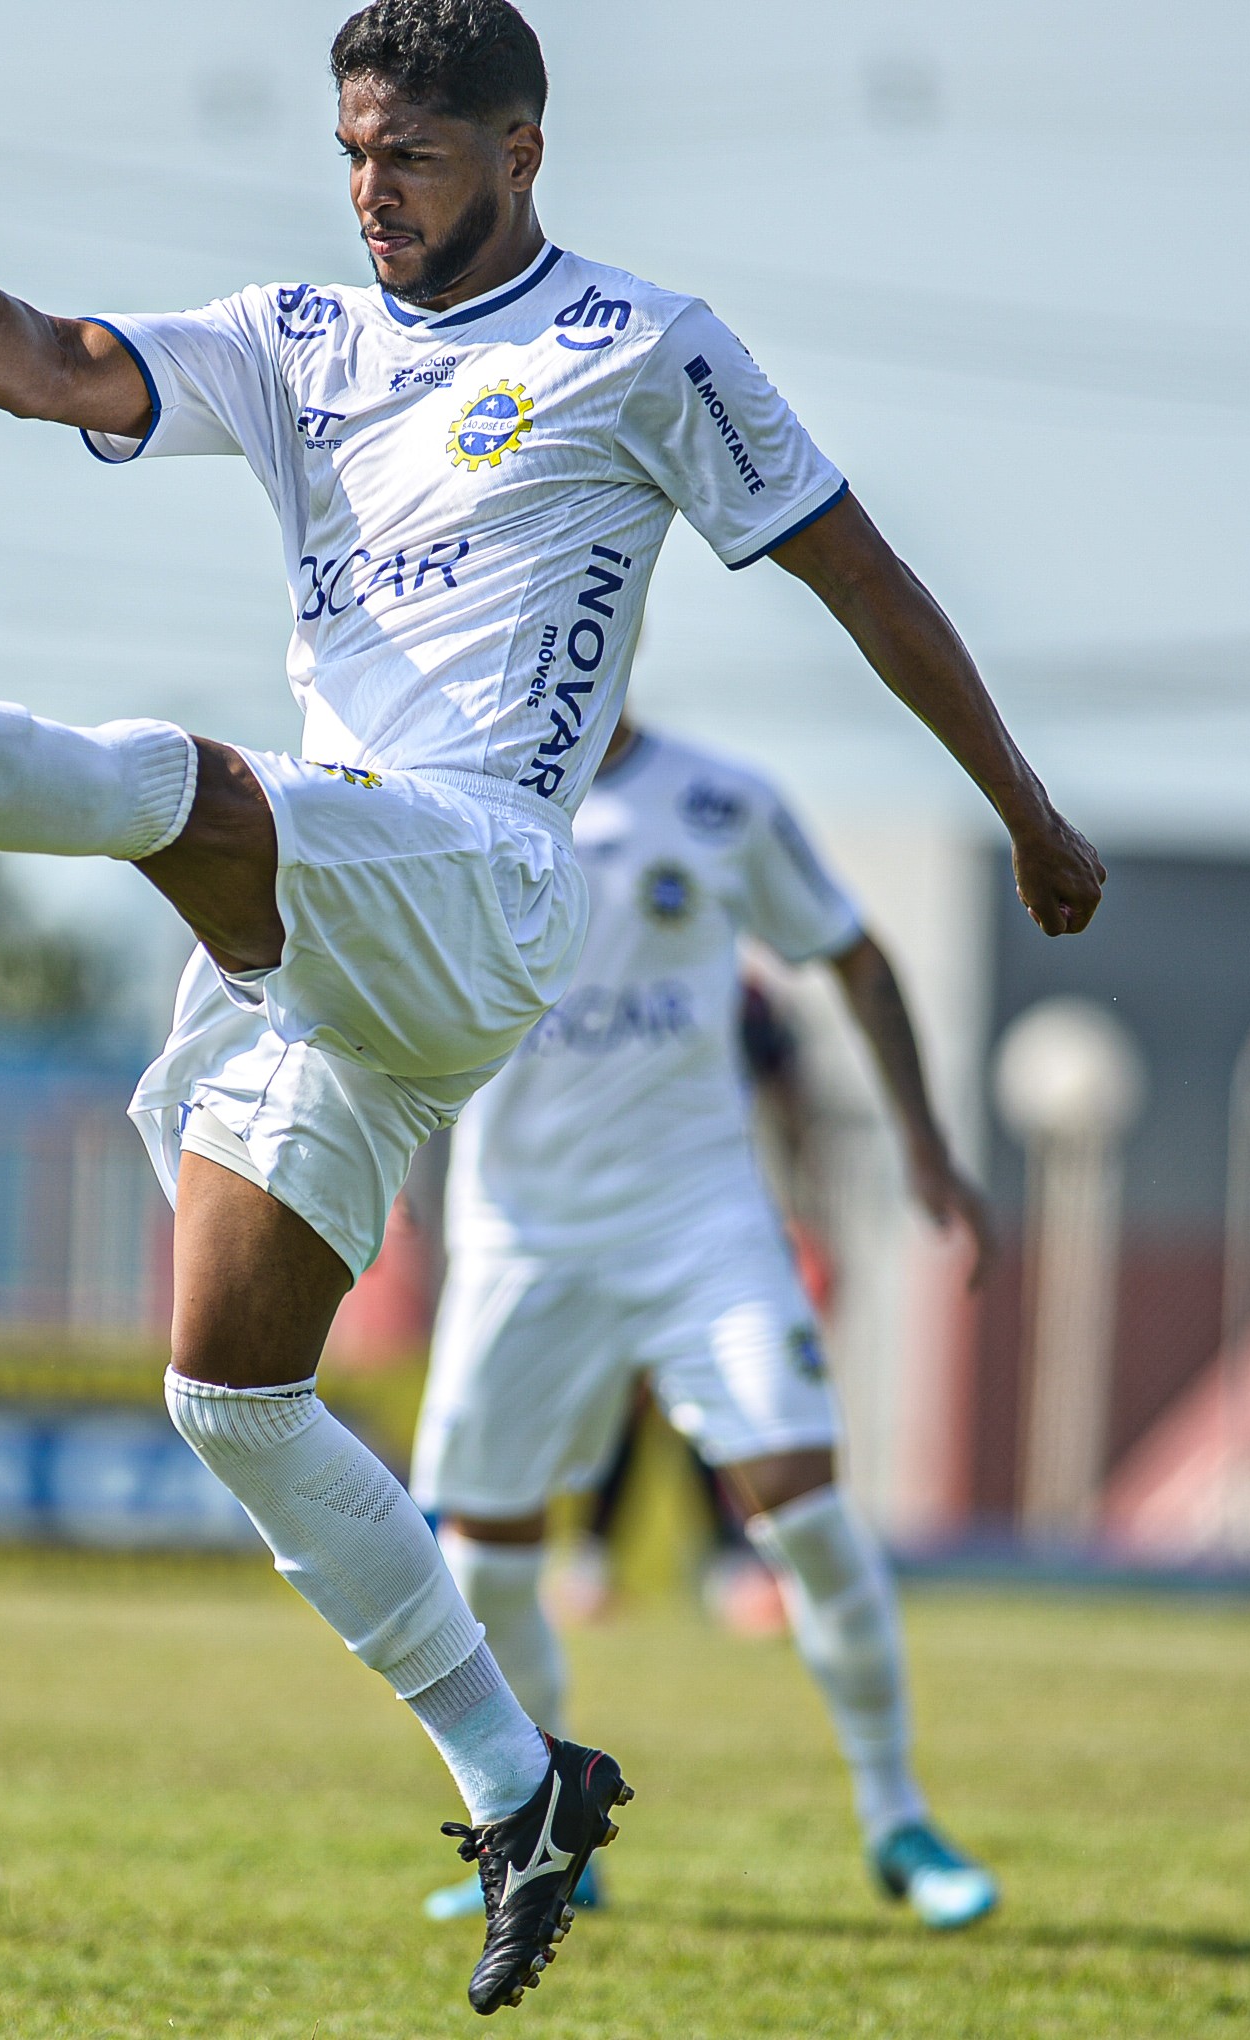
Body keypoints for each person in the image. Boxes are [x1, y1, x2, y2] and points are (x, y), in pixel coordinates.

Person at [0, 0, 1101, 2009]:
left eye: (409, 157)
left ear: (519, 148)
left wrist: (1020, 804)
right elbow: (61, 364)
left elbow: (861, 574)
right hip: (349, 944)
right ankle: (521, 1787)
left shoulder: (646, 349)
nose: (371, 193)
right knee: (226, 1385)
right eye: (352, 152)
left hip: (487, 871)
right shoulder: (305, 339)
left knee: (179, 779)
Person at [411, 710, 1003, 1931]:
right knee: (483, 1553)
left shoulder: (723, 799)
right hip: (525, 1237)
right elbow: (390, 993)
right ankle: (542, 1832)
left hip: (702, 1227)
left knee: (813, 1513)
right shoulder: (444, 790)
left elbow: (854, 956)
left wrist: (927, 1151)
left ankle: (897, 1820)